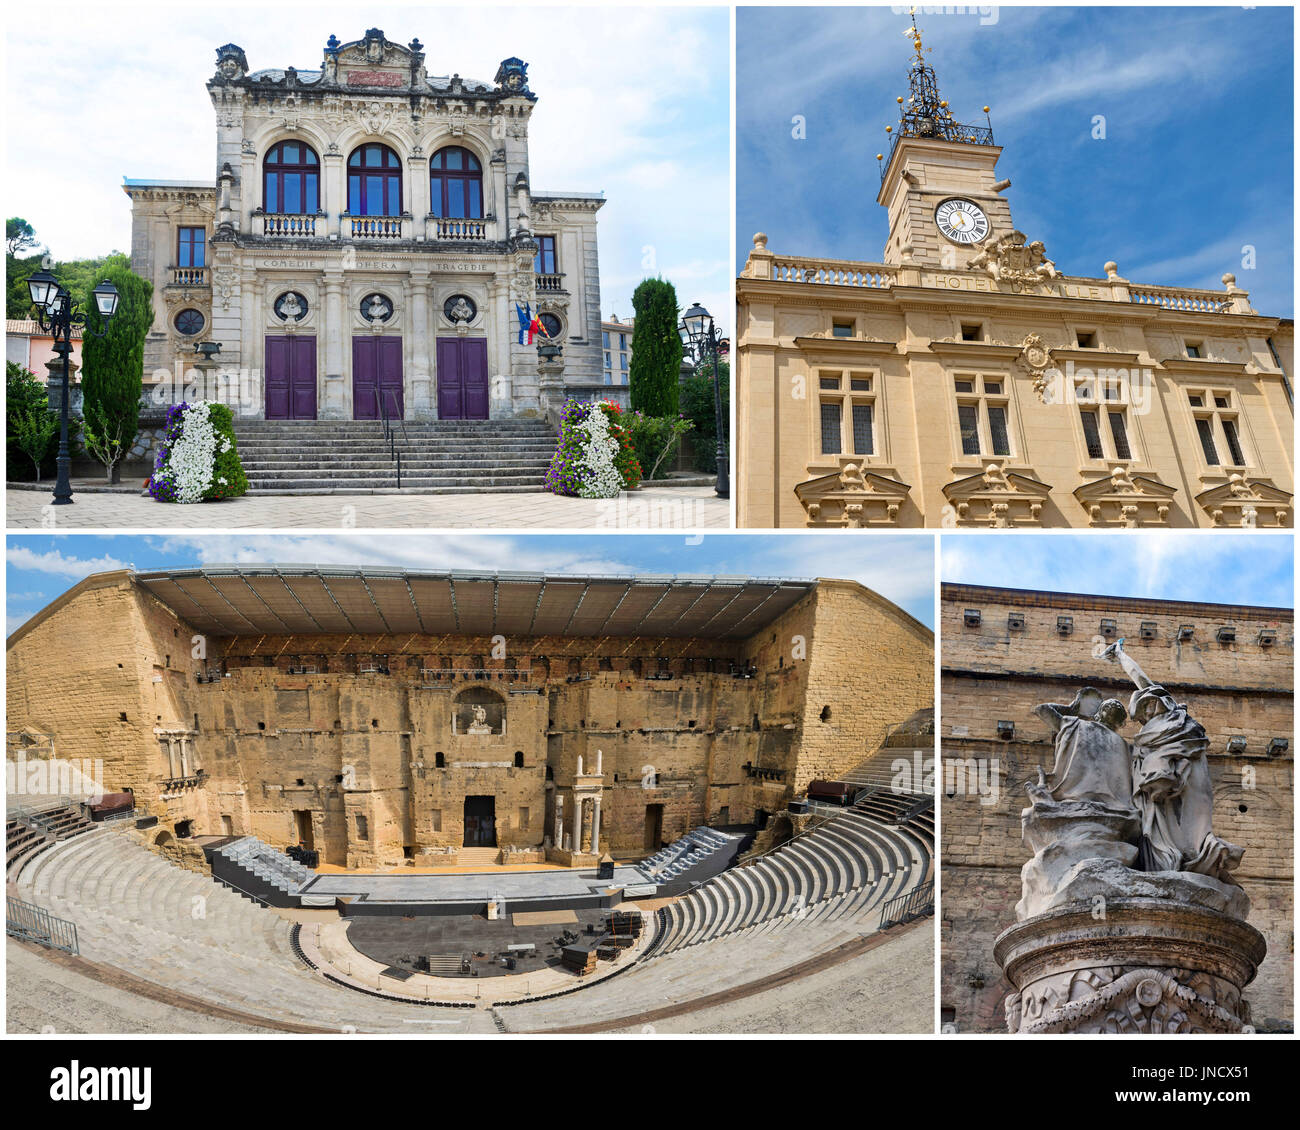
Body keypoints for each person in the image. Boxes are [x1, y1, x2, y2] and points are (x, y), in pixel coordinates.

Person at [1101, 638, 1242, 880]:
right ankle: (1164, 864)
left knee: (1194, 822)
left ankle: (1195, 856)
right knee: (1156, 830)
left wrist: (1121, 656)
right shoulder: (1148, 733)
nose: (1147, 711)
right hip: (1155, 795)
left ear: (1160, 702)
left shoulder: (1177, 719)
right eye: (1142, 710)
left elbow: (1143, 680)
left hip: (1187, 782)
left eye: (1148, 704)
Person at [1030, 687, 1133, 809]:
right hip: (1117, 807)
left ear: (1099, 714)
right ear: (1119, 724)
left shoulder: (1077, 725)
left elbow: (1043, 709)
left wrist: (1071, 708)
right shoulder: (1126, 747)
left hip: (1073, 800)